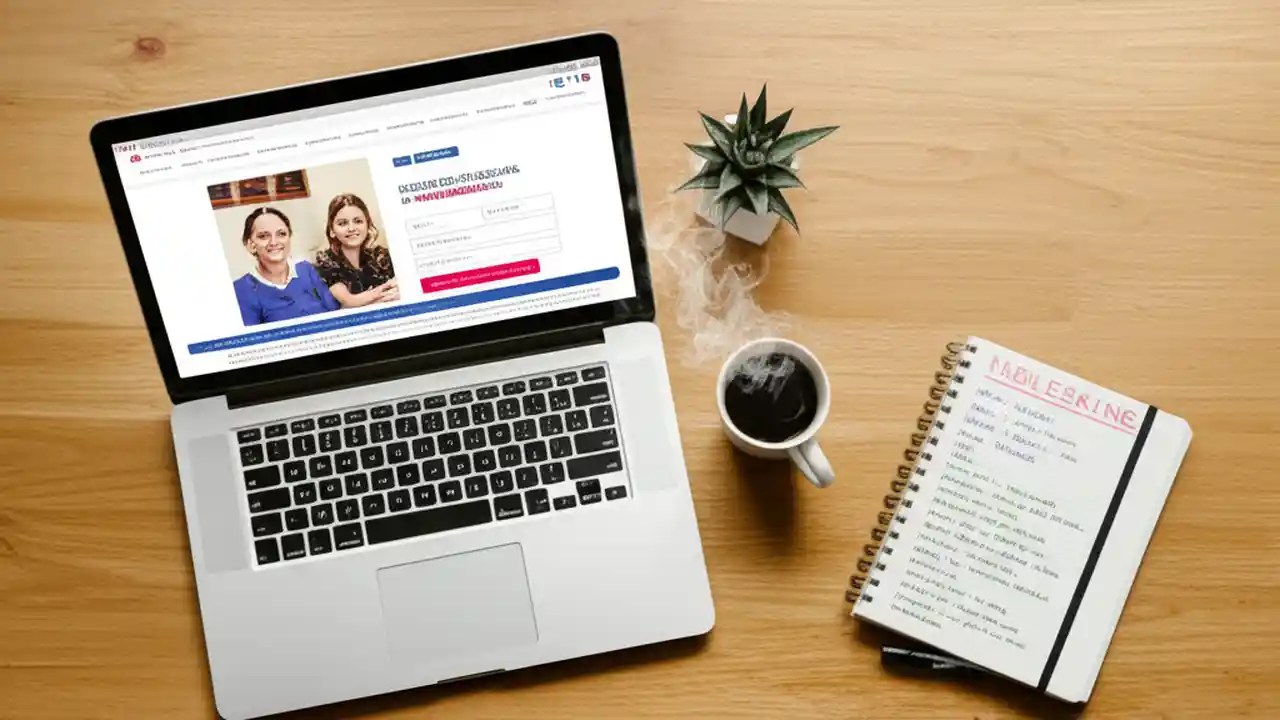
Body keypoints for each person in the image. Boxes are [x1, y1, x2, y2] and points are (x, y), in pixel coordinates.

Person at [232, 207, 340, 326]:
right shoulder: (241, 290)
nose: (274, 242)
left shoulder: (306, 270)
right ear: (250, 245)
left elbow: (334, 314)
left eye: (281, 234)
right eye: (263, 236)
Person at [313, 193, 398, 308]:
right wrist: (383, 292)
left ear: (368, 225)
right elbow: (349, 301)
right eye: (342, 223)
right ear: (332, 230)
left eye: (358, 221)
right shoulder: (326, 262)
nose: (351, 228)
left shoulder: (381, 256)